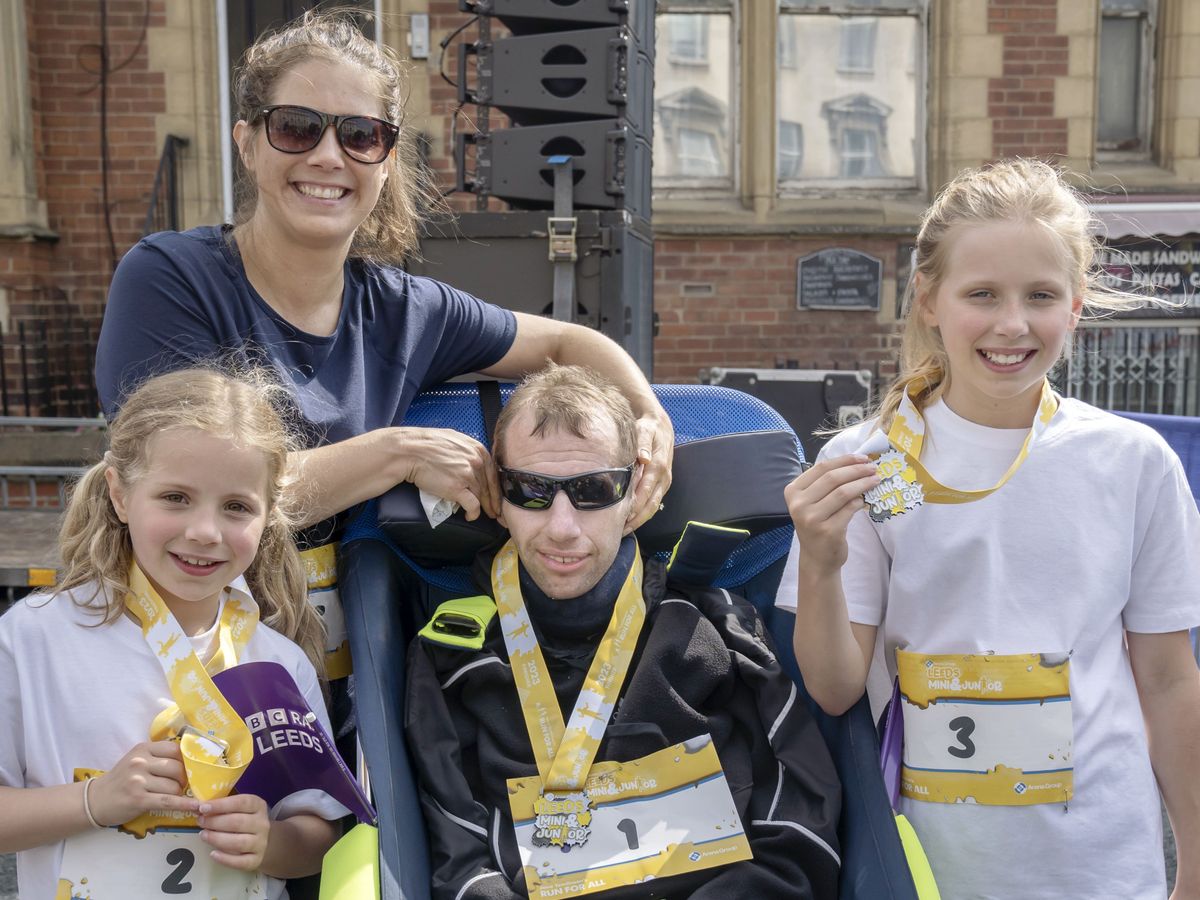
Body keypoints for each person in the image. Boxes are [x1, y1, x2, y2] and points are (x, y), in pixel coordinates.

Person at [93, 10, 674, 688]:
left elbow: (571, 340)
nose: (328, 157)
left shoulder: (405, 308)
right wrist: (397, 453)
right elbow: (200, 491)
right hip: (172, 659)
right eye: (296, 127)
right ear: (247, 143)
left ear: (387, 159)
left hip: (336, 668)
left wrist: (648, 416)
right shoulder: (170, 278)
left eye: (360, 135)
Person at [778, 159, 1200, 900]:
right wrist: (818, 561)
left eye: (1041, 295)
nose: (1012, 324)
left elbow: (1167, 679)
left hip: (1100, 864)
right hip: (927, 863)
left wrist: (1194, 861)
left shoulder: (1134, 461)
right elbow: (837, 688)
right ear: (929, 300)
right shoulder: (865, 460)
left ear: (1075, 306)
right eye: (982, 294)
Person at [406, 364, 842, 900]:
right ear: (499, 493)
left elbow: (798, 836)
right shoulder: (450, 655)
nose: (562, 527)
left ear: (636, 486)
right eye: (531, 490)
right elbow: (458, 864)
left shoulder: (722, 632)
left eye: (593, 490)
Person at [0, 368, 347, 900]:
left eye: (236, 507)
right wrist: (94, 800)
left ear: (268, 515)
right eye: (175, 498)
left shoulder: (280, 663)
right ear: (119, 494)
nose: (204, 531)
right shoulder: (31, 638)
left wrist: (270, 842)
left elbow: (319, 834)